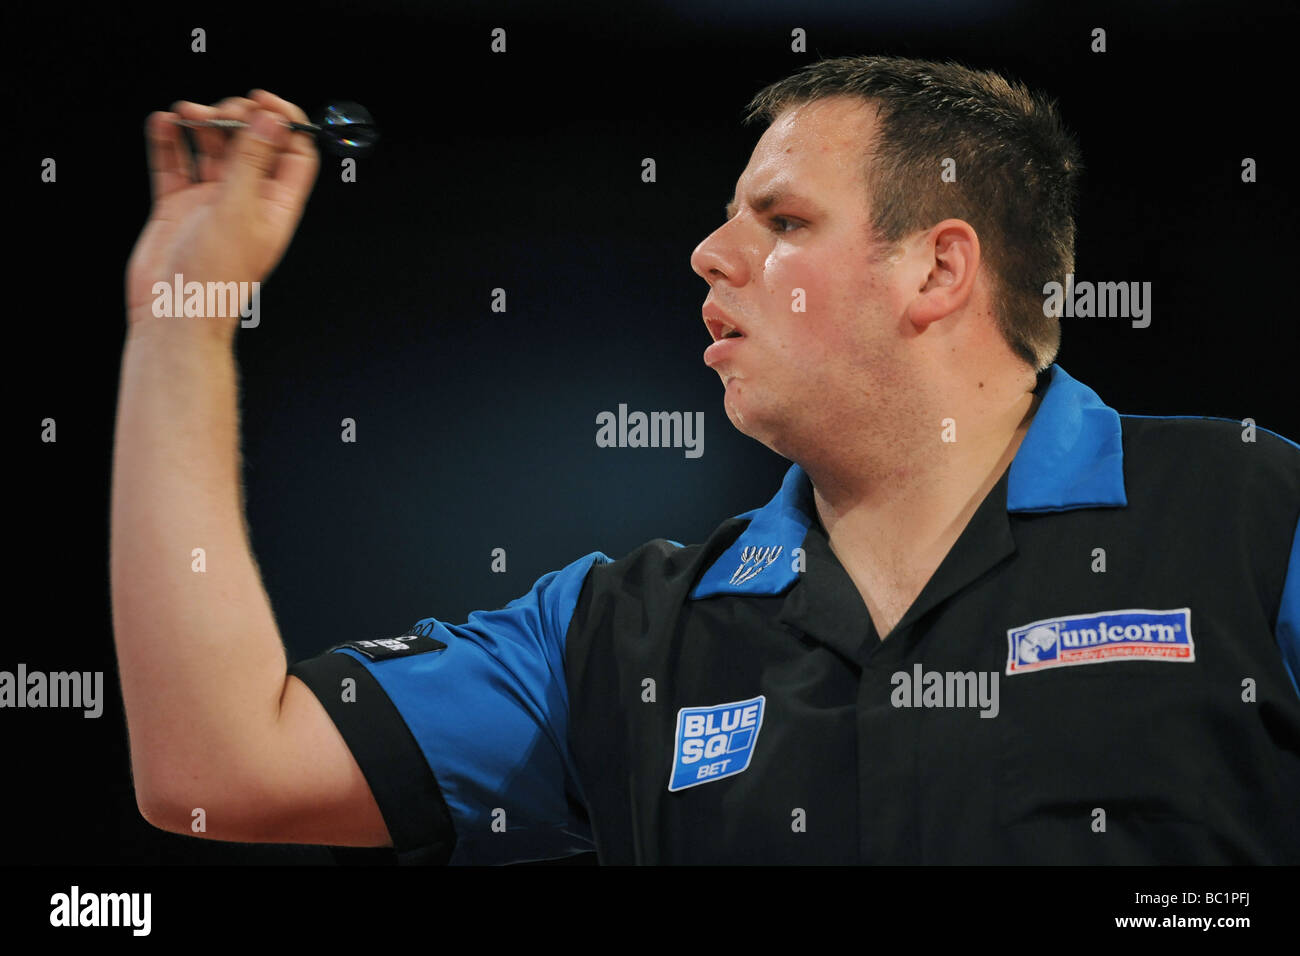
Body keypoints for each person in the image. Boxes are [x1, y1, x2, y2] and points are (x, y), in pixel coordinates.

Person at [112, 57, 1300, 865]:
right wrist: (181, 318)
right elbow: (216, 762)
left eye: (782, 221)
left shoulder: (1257, 513)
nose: (706, 253)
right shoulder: (615, 635)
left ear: (937, 270)